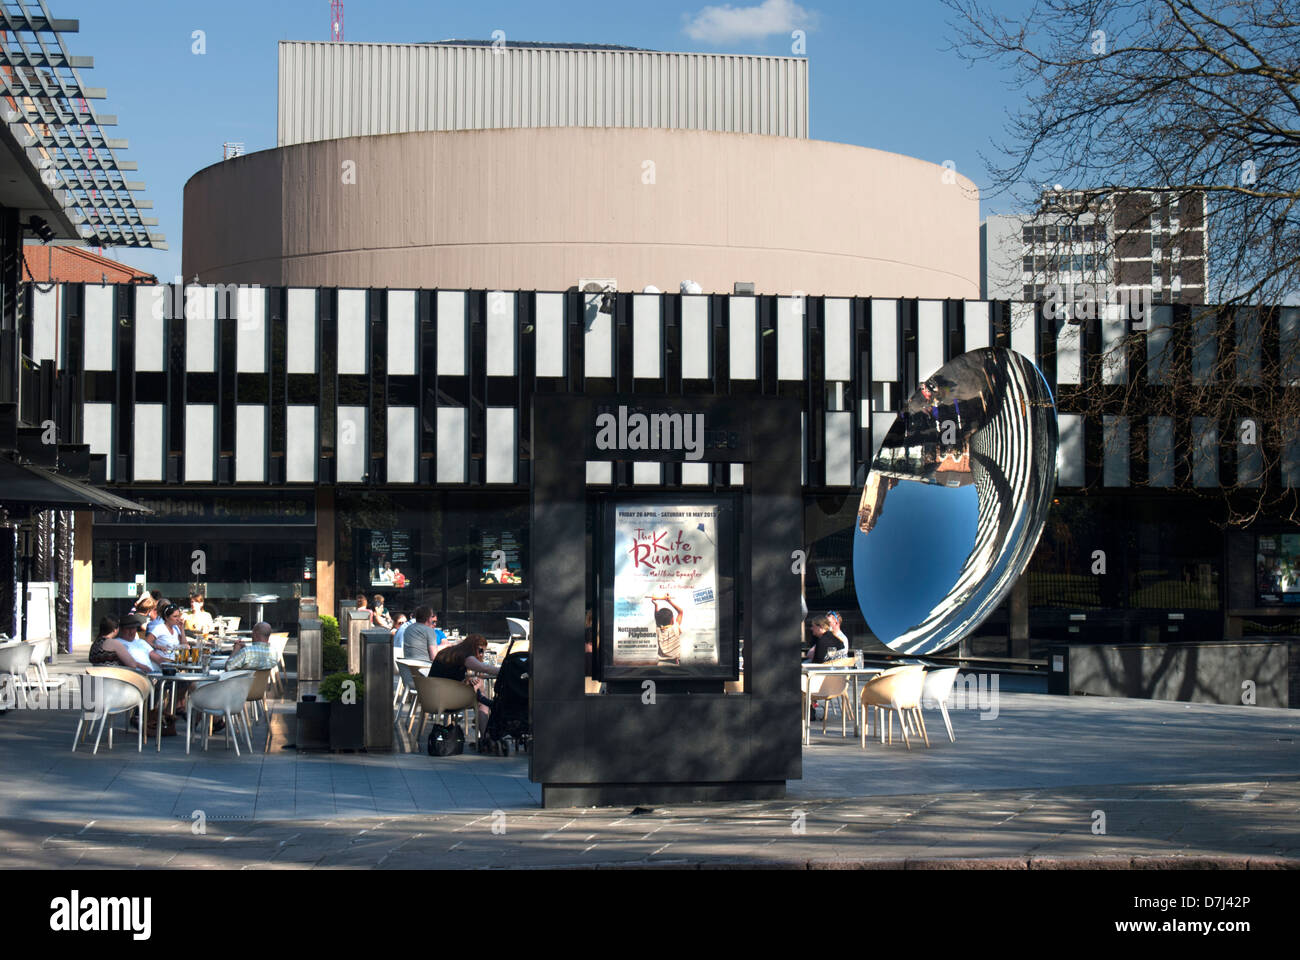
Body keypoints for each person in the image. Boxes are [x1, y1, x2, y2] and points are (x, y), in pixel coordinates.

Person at [429, 633, 498, 739]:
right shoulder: (466, 657)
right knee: (482, 701)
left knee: (478, 685)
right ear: (472, 648)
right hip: (448, 701)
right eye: (480, 651)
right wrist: (506, 670)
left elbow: (449, 677)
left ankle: (480, 722)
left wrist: (467, 681)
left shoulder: (447, 653)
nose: (481, 654)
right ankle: (485, 737)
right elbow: (485, 669)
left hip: (431, 697)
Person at [88, 615, 158, 673]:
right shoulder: (114, 643)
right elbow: (132, 664)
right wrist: (147, 669)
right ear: (115, 630)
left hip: (99, 680)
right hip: (115, 680)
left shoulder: (95, 645)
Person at [648, 595, 683, 664]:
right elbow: (680, 612)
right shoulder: (675, 628)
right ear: (672, 619)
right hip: (674, 664)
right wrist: (669, 601)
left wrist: (656, 605)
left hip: (661, 664)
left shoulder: (659, 630)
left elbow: (657, 619)